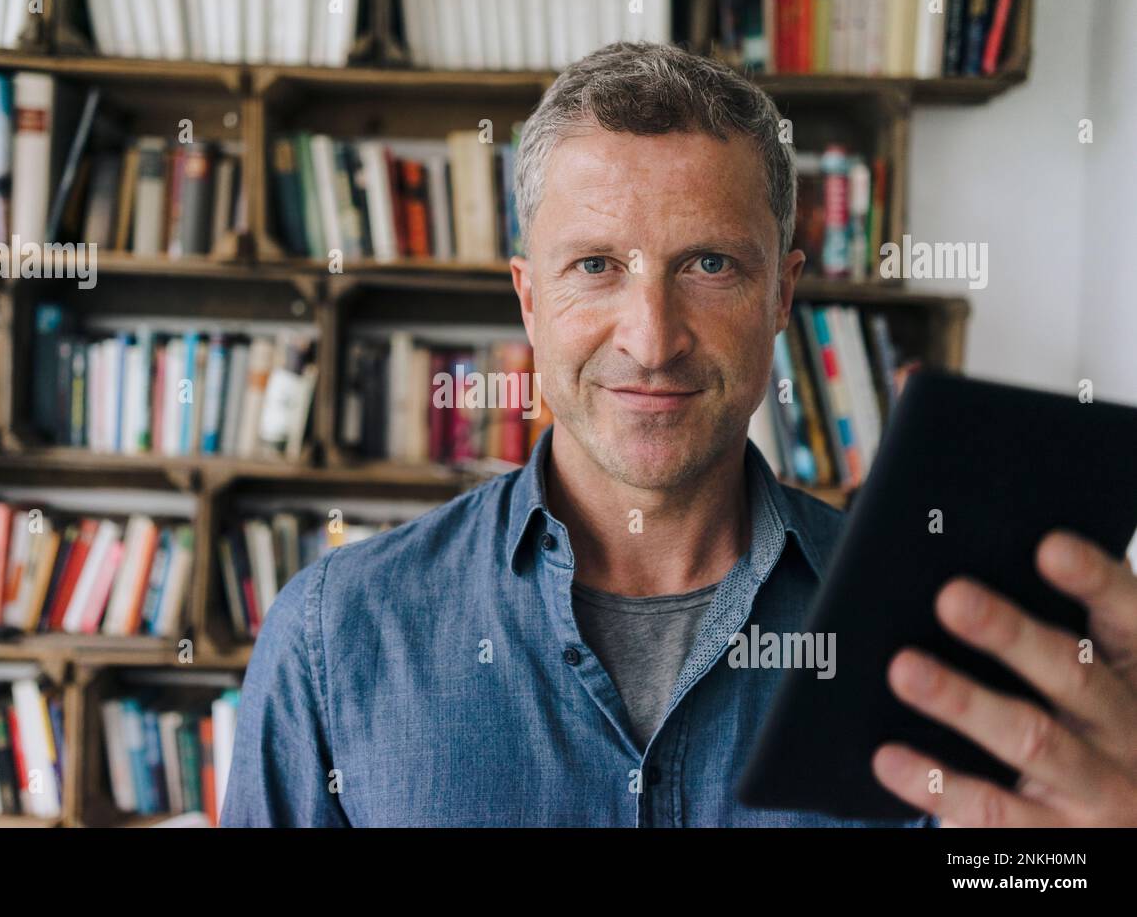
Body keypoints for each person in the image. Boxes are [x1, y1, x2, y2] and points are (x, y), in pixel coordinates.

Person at [222, 42, 1137, 827]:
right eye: (595, 265)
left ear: (782, 294)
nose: (651, 339)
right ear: (529, 300)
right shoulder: (331, 637)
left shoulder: (944, 639)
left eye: (709, 263)